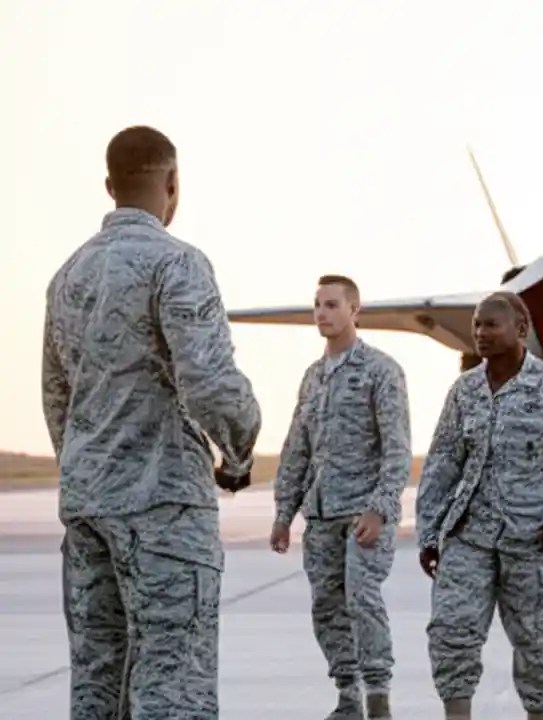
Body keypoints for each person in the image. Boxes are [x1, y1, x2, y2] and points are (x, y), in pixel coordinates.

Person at [41, 125, 261, 718]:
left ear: (110, 185)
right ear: (173, 184)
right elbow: (212, 383)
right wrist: (238, 454)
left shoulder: (67, 277)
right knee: (172, 681)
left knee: (96, 681)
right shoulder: (178, 265)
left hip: (89, 508)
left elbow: (56, 397)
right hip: (162, 508)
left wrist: (88, 469)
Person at [415, 291, 543, 720]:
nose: (481, 334)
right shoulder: (464, 390)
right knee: (451, 633)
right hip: (469, 539)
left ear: (521, 329)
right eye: (476, 326)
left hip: (535, 540)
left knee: (536, 642)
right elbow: (442, 465)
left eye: (491, 325)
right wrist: (430, 535)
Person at [269, 274, 412, 719]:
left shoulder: (380, 371)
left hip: (363, 514)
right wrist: (283, 512)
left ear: (355, 310)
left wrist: (381, 507)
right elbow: (297, 448)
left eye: (332, 305)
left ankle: (379, 701)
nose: (322, 314)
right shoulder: (313, 378)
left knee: (363, 599)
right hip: (321, 514)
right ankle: (348, 696)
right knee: (327, 606)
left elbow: (397, 446)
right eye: (317, 305)